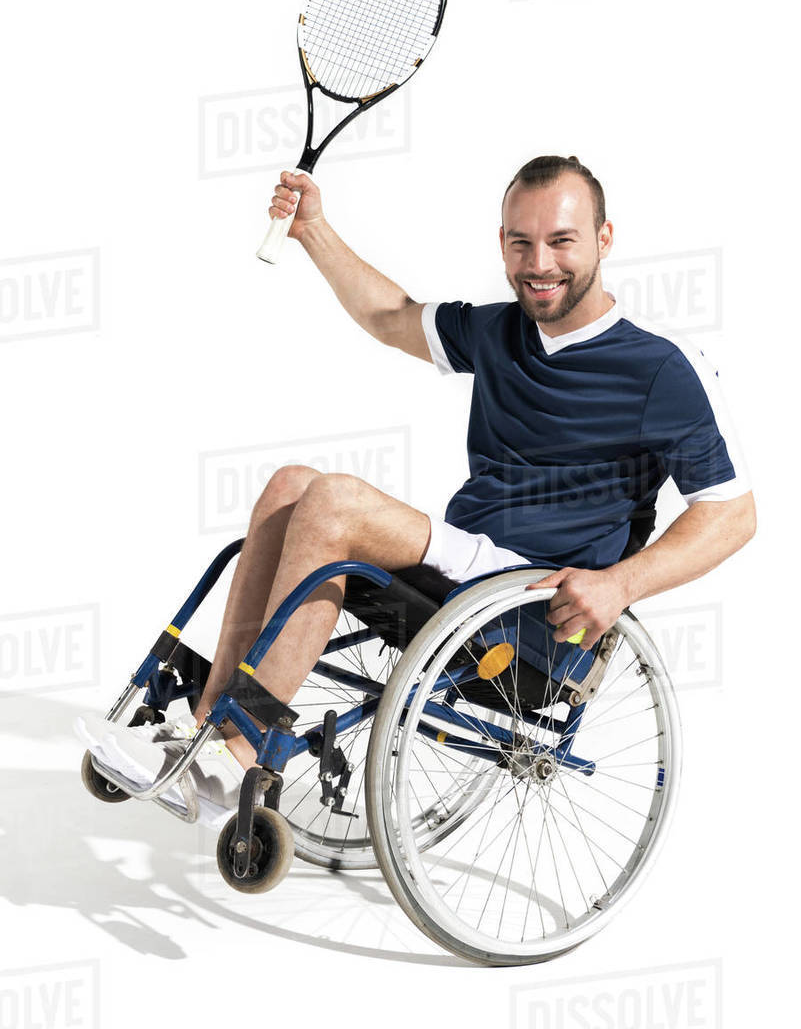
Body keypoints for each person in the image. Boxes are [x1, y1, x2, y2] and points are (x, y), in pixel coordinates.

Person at [76, 155, 756, 824]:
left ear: (604, 240)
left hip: (531, 597)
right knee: (291, 486)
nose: (539, 262)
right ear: (501, 243)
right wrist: (311, 228)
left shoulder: (659, 369)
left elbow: (731, 515)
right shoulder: (500, 331)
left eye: (561, 241)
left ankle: (240, 747)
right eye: (521, 242)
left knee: (334, 502)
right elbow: (389, 316)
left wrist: (622, 585)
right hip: (465, 563)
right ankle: (206, 730)